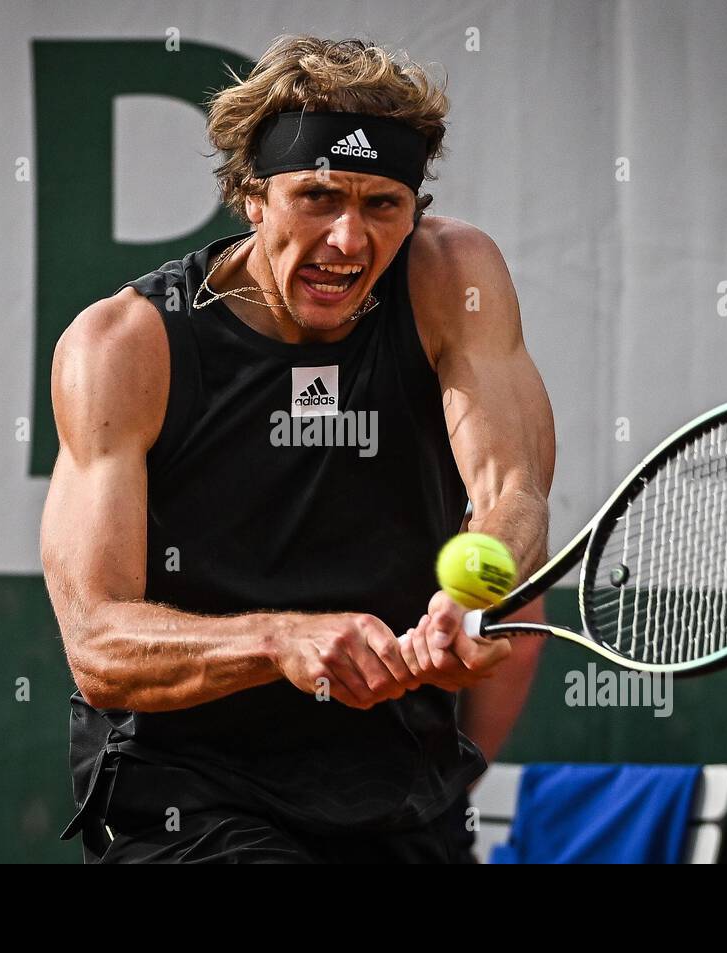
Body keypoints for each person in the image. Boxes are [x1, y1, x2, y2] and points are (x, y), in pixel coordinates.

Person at [42, 34, 555, 863]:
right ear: (252, 194)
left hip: (396, 783)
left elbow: (515, 494)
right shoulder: (126, 346)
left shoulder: (451, 280)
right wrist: (281, 641)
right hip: (190, 795)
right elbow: (100, 644)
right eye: (318, 196)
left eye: (383, 204)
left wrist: (472, 594)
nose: (350, 240)